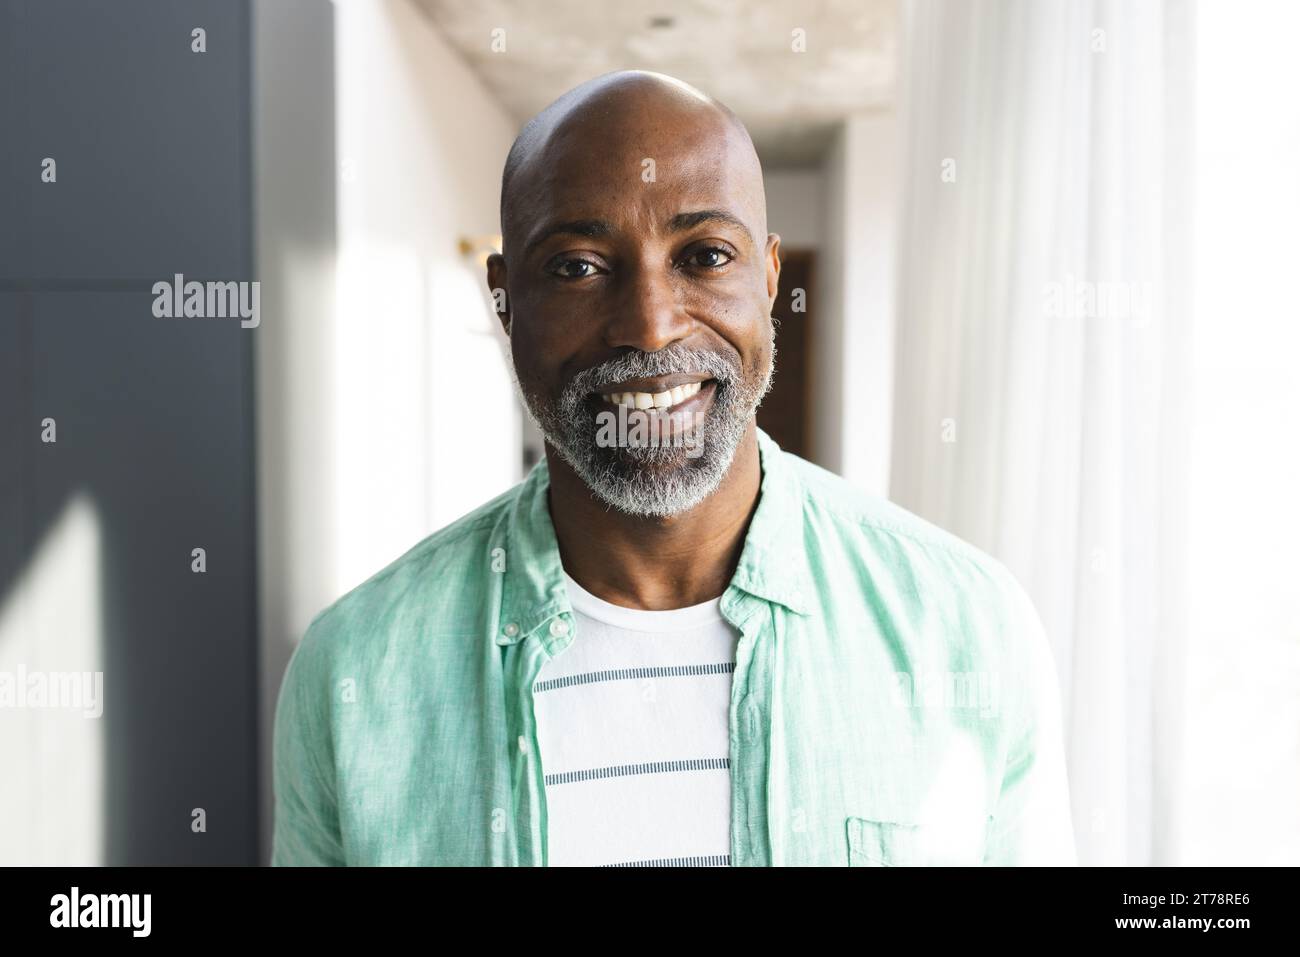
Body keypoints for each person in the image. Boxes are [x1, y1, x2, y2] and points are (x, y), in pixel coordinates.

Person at [271, 70, 1076, 867]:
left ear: (767, 279)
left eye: (703, 254)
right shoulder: (356, 671)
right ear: (505, 299)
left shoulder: (968, 630)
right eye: (579, 265)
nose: (650, 327)